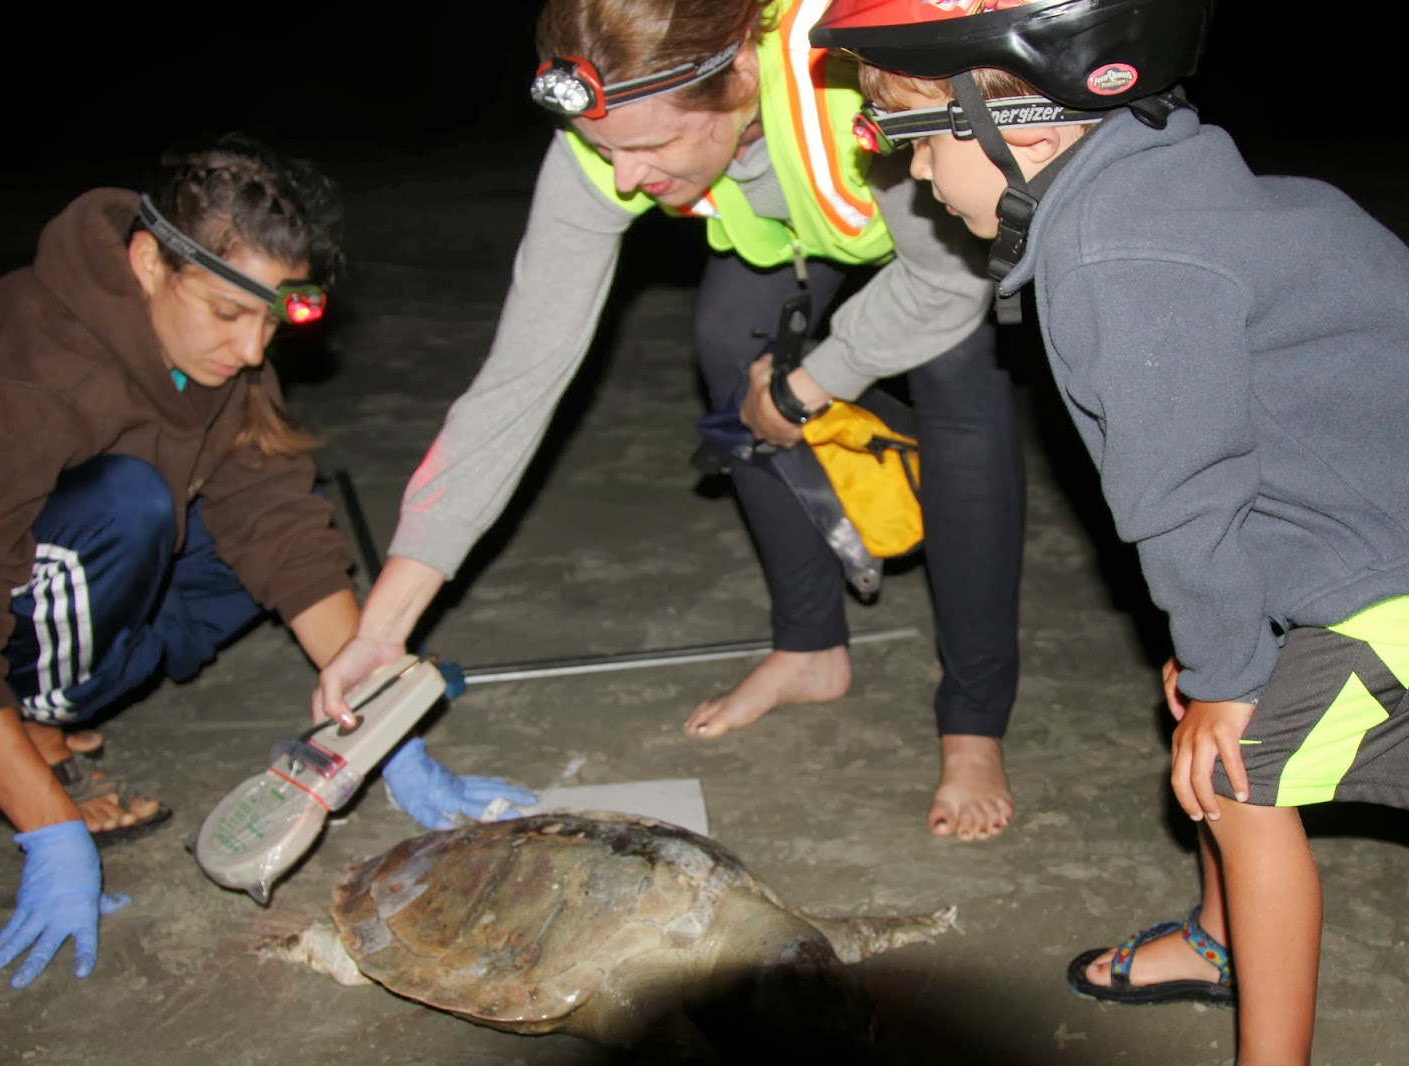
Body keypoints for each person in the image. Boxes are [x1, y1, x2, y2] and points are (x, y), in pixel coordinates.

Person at [810, 0, 1409, 1062]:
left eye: (905, 142)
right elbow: (1248, 439)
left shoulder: (1116, 265)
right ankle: (1220, 940)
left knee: (1236, 776)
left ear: (1021, 130)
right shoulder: (1154, 170)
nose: (910, 180)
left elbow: (1185, 490)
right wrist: (1222, 657)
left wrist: (1233, 678)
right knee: (1204, 688)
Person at [315, 0, 1029, 841]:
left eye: (650, 149)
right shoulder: (609, 123)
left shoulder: (856, 74)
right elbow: (517, 381)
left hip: (927, 219)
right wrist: (382, 627)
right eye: (604, 149)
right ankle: (810, 649)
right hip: (799, 221)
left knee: (962, 377)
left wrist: (807, 387)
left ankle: (973, 721)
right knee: (728, 334)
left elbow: (951, 286)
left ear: (738, 73)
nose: (623, 179)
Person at [0, 133, 536, 991]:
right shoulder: (33, 368)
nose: (251, 354)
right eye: (228, 314)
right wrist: (51, 832)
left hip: (68, 591)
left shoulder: (225, 362)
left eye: (272, 322)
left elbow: (281, 529)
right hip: (3, 597)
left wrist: (385, 729)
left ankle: (71, 687)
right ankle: (38, 727)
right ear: (146, 263)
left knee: (258, 538)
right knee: (131, 502)